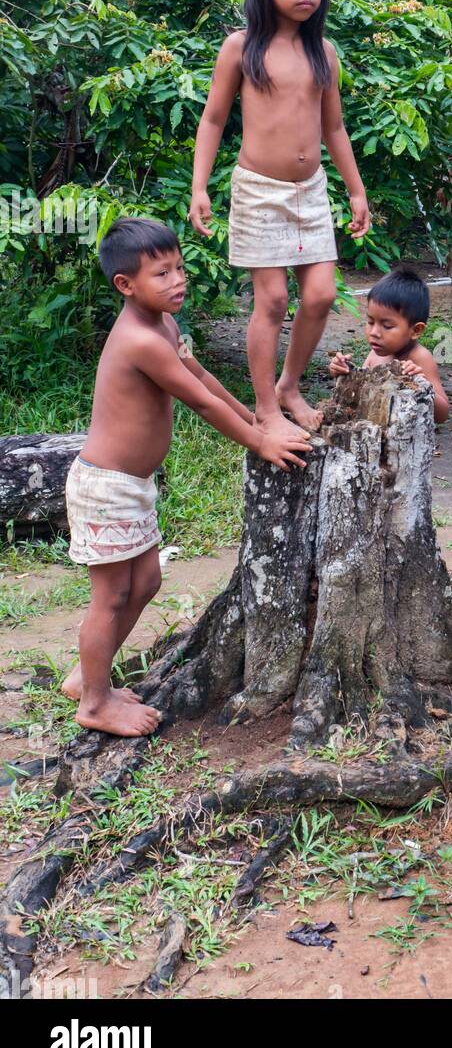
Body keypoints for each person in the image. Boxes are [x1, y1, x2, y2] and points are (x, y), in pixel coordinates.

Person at [62, 218, 309, 738]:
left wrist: (255, 416)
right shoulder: (140, 340)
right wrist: (261, 442)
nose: (177, 280)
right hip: (105, 489)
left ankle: (92, 674)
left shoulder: (165, 328)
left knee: (146, 581)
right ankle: (93, 700)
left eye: (179, 268)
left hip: (130, 488)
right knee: (109, 597)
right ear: (125, 285)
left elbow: (201, 378)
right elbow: (195, 401)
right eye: (161, 273)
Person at [189, 0, 370, 436]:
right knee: (270, 300)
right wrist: (200, 187)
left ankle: (290, 385)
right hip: (259, 192)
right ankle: (266, 406)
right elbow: (213, 118)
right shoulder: (241, 48)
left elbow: (333, 130)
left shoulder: (325, 53)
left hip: (311, 193)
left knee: (319, 294)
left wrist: (355, 192)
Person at [329, 267, 449, 423]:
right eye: (370, 322)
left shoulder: (419, 358)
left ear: (416, 330)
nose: (374, 332)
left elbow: (443, 415)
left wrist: (421, 384)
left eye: (387, 326)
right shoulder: (374, 356)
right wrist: (343, 373)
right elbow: (358, 395)